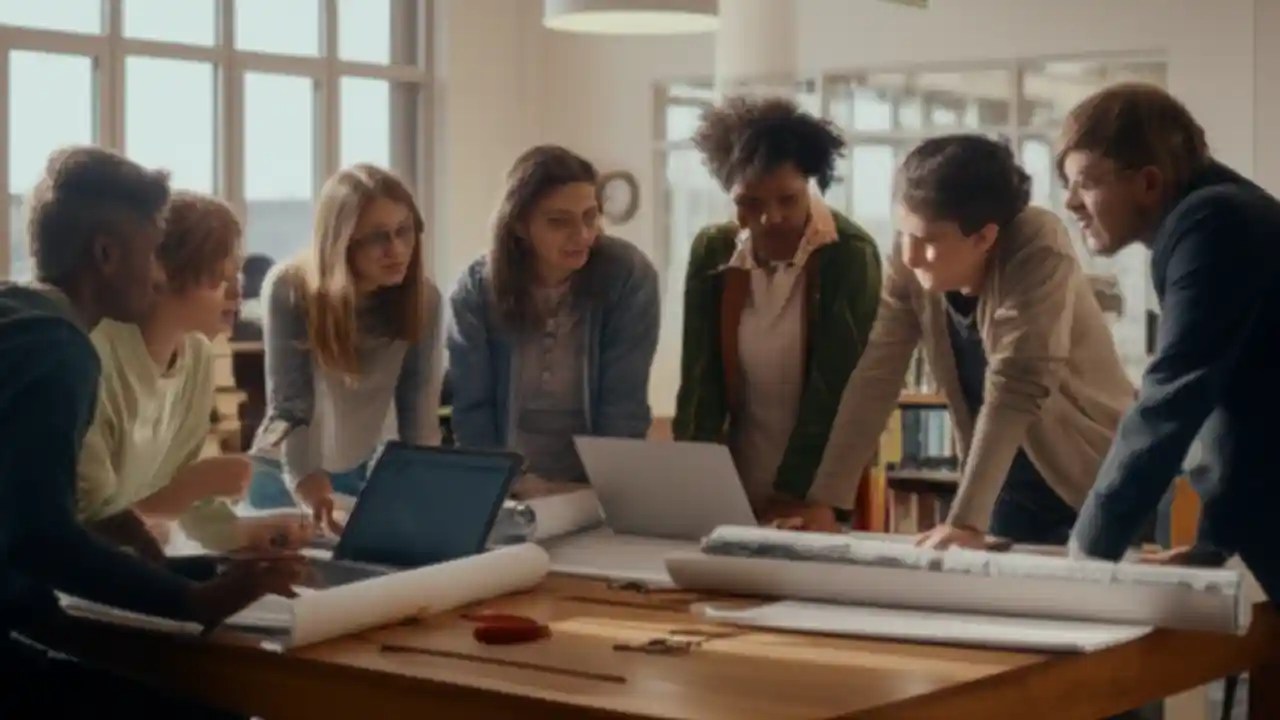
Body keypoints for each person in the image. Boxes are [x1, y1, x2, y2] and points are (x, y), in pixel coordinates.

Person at [0, 146, 300, 716]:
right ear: (108, 254)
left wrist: (124, 528)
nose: (160, 273)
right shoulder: (59, 351)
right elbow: (37, 539)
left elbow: (21, 496)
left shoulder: (19, 321)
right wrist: (193, 599)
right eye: (153, 253)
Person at [810, 134, 1134, 549]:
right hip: (1005, 488)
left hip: (1098, 479)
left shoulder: (1038, 243)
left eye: (927, 241)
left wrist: (965, 522)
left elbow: (1017, 382)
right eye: (902, 233)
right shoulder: (909, 257)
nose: (908, 255)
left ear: (983, 238)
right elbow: (877, 373)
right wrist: (826, 504)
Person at [1062, 83, 1280, 602]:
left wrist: (1084, 561)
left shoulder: (1213, 222)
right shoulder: (1223, 212)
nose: (1071, 203)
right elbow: (1251, 394)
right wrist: (1213, 541)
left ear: (1149, 183)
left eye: (1085, 183)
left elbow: (1172, 400)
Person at [672, 96, 882, 530]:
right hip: (731, 483)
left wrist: (804, 496)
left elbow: (838, 389)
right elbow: (699, 379)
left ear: (811, 183)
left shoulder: (849, 254)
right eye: (749, 202)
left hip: (814, 490)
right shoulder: (712, 250)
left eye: (788, 198)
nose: (771, 217)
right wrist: (690, 484)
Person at [76, 191, 310, 554]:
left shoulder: (197, 357)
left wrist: (251, 534)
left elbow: (188, 511)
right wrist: (191, 487)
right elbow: (89, 520)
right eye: (220, 277)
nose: (237, 291)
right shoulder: (91, 359)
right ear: (164, 275)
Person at [448, 145, 660, 495]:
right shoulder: (475, 291)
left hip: (596, 486)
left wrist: (606, 492)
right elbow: (472, 410)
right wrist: (506, 485)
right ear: (519, 224)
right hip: (511, 484)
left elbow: (624, 406)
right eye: (559, 221)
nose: (582, 235)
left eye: (590, 216)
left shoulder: (628, 276)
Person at [244, 164, 443, 532]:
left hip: (356, 466)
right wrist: (306, 481)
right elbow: (290, 405)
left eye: (404, 231)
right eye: (377, 237)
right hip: (286, 467)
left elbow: (420, 415)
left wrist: (424, 486)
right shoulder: (290, 288)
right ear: (341, 241)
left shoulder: (424, 300)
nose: (396, 249)